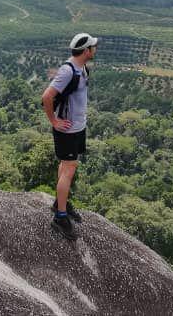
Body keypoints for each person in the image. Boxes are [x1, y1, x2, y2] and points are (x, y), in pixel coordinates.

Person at [41, 32, 97, 240]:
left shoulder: (82, 68)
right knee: (70, 168)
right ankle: (60, 216)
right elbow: (47, 96)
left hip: (77, 127)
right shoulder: (68, 71)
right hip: (67, 129)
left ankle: (60, 202)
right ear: (85, 51)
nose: (95, 49)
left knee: (66, 166)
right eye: (93, 47)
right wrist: (54, 121)